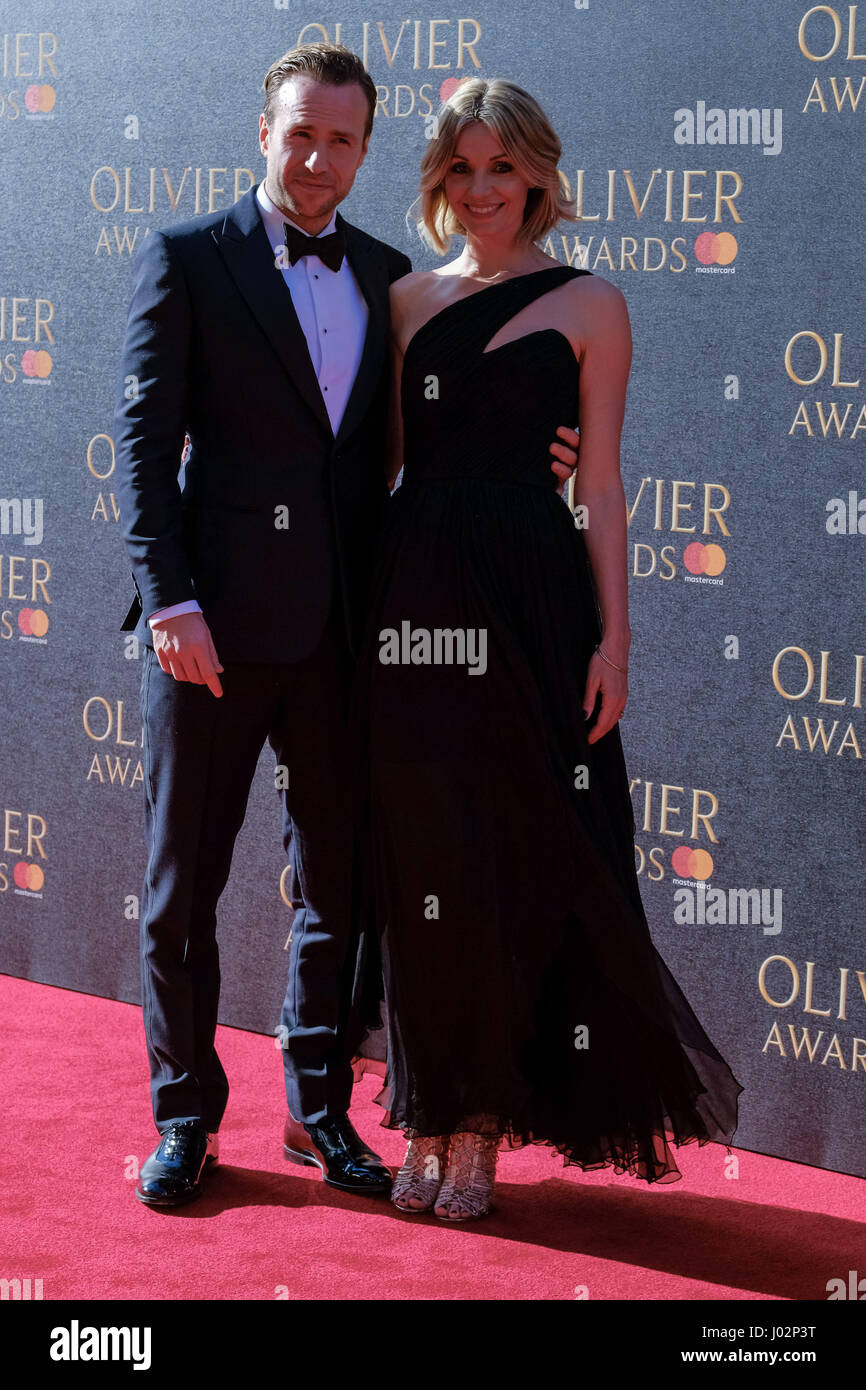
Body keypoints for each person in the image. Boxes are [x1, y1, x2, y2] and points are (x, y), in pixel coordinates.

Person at [113, 43, 581, 1207]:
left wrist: (539, 449)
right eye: (300, 134)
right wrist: (169, 598)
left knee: (339, 890)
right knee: (183, 890)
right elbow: (141, 443)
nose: (318, 158)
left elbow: (438, 426)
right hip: (210, 633)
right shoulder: (187, 259)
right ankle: (184, 1118)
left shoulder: (385, 278)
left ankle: (316, 1114)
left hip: (345, 633)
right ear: (261, 132)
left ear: (368, 152)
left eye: (342, 140)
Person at [351, 76, 744, 1221]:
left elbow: (605, 485)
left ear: (537, 176)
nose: (482, 191)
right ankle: (422, 1113)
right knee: (422, 860)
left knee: (510, 854)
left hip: (531, 595)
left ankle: (477, 1127)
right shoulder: (407, 300)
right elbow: (380, 470)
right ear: (438, 180)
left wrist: (616, 637)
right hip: (415, 593)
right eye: (460, 169)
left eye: (502, 169)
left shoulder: (591, 304)